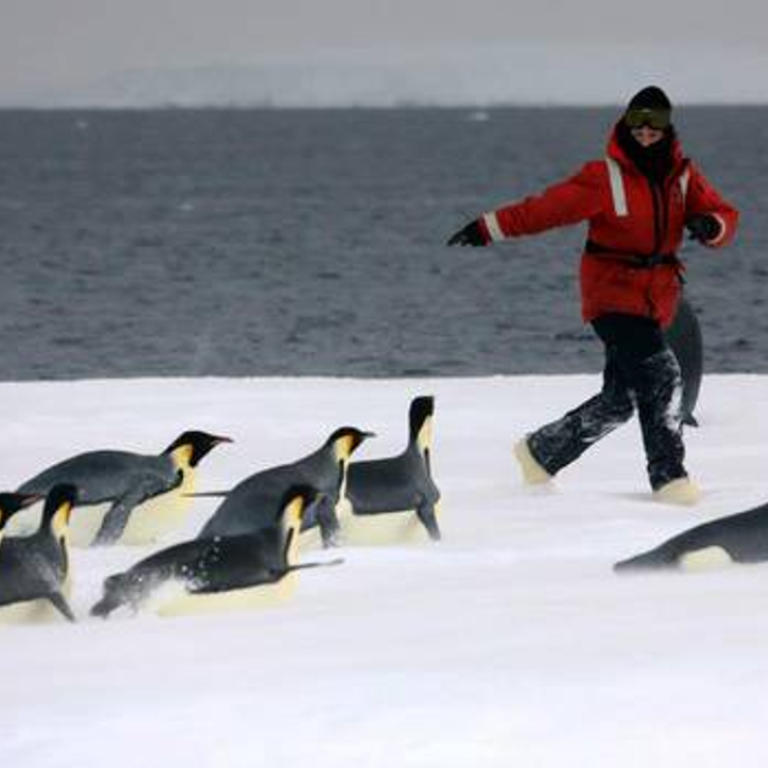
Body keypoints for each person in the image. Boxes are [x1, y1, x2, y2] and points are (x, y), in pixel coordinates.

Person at [447, 86, 738, 504]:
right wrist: (486, 228)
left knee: (621, 400)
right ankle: (669, 477)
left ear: (667, 127)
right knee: (662, 375)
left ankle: (542, 452)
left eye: (655, 123)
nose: (645, 131)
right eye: (637, 122)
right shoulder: (604, 177)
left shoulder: (683, 177)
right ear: (626, 124)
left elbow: (724, 214)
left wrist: (710, 225)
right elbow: (545, 209)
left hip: (655, 296)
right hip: (611, 295)